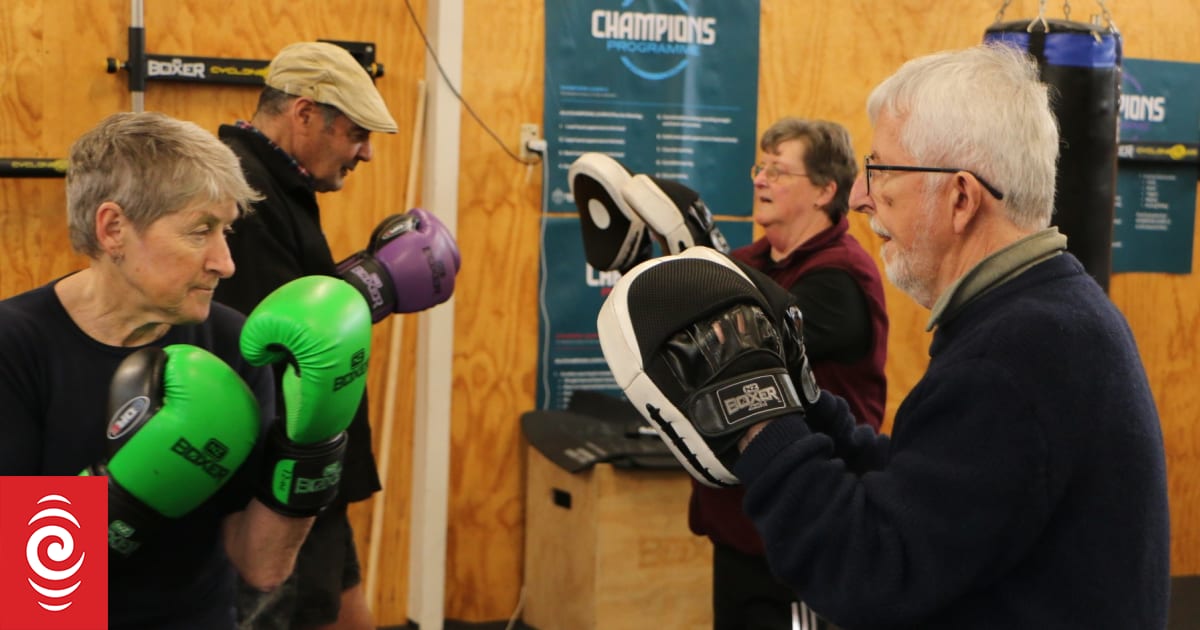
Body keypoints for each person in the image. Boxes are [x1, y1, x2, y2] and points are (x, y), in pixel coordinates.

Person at [601, 43, 1170, 628]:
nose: (860, 196)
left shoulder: (1016, 355)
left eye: (884, 170)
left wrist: (758, 422)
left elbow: (869, 571)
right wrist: (807, 407)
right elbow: (926, 493)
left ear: (960, 198)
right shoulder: (1046, 315)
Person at [0, 111, 364, 629]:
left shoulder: (233, 341)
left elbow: (262, 565)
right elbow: (32, 596)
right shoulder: (16, 347)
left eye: (226, 230)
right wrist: (126, 498)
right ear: (113, 229)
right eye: (200, 231)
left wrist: (313, 447)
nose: (225, 262)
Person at [215, 41, 420, 630]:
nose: (367, 153)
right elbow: (270, 340)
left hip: (316, 463)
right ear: (304, 114)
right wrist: (368, 288)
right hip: (283, 471)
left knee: (347, 609)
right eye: (356, 133)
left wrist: (356, 284)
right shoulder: (247, 189)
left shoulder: (279, 185)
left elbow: (290, 303)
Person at [690, 118, 888, 630]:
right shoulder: (748, 261)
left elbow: (741, 348)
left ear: (825, 190)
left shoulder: (840, 277)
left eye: (779, 171)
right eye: (761, 167)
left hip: (805, 526)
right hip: (739, 523)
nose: (760, 180)